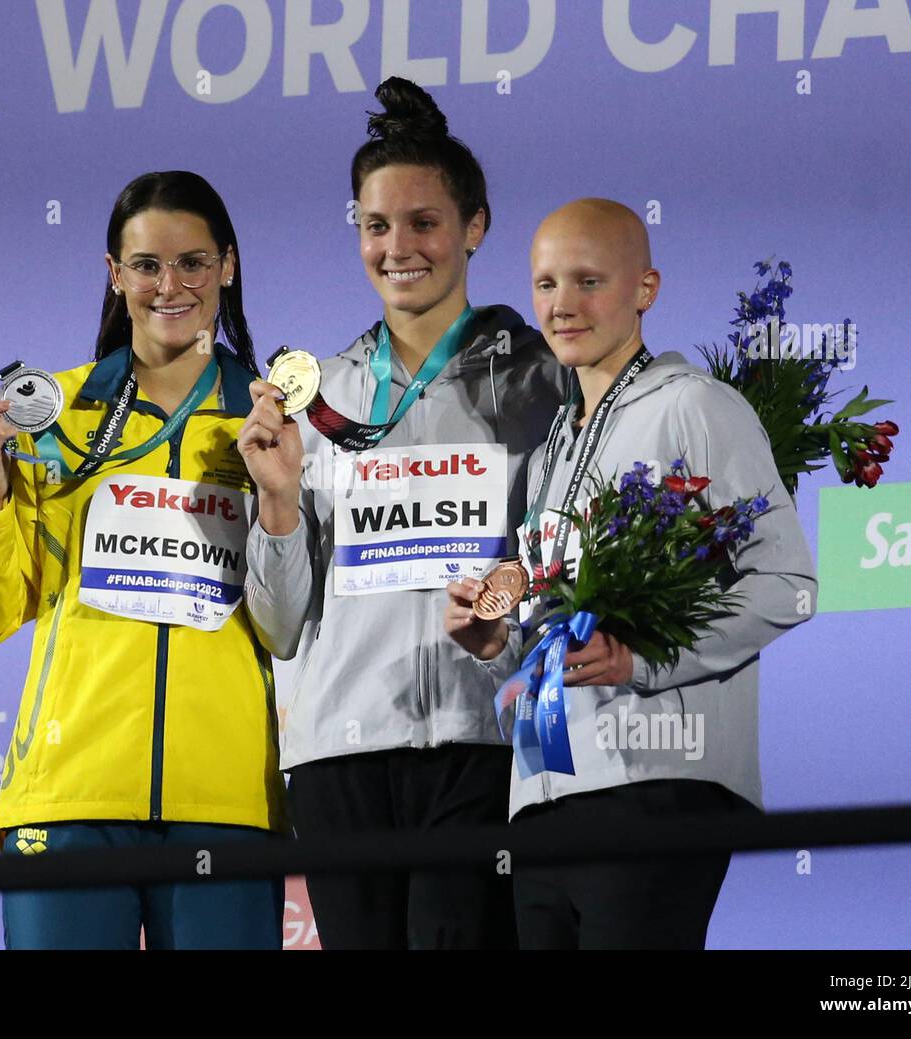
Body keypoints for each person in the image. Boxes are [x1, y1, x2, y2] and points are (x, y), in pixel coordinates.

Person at [238, 78, 564, 950]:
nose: (398, 247)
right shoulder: (316, 397)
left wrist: (505, 622)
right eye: (376, 226)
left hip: (481, 735)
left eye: (424, 222)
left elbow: (559, 557)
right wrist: (275, 500)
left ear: (475, 227)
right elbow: (276, 624)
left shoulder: (538, 384)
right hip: (337, 753)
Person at [445, 198, 818, 950]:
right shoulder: (552, 450)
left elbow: (788, 583)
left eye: (589, 280)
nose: (563, 304)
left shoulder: (696, 407)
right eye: (546, 283)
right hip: (546, 791)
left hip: (656, 779)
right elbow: (557, 629)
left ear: (645, 288)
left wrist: (645, 658)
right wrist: (495, 639)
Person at [0, 171, 288, 950]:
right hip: (68, 793)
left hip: (226, 795)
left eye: (194, 263)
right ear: (115, 273)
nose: (170, 286)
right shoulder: (53, 413)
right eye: (146, 266)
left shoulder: (270, 419)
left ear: (227, 266)